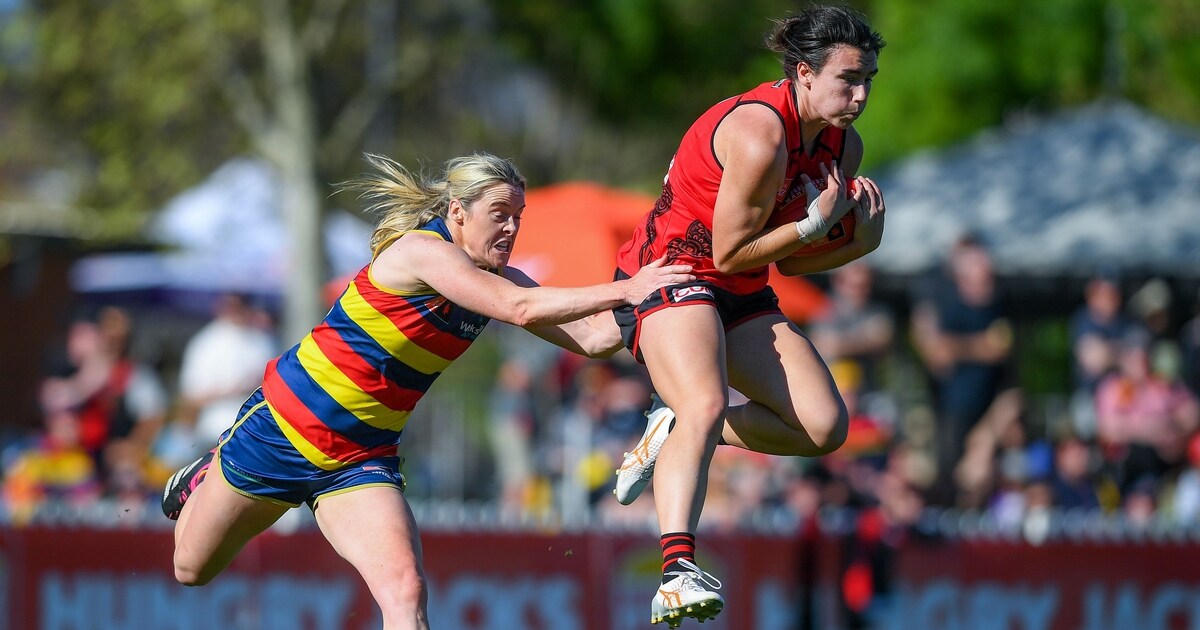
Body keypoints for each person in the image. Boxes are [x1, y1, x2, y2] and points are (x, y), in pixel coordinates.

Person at [159, 152, 694, 630]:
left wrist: (673, 295)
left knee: (407, 594)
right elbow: (519, 310)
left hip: (360, 457)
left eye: (518, 217)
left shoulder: (501, 277)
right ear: (457, 213)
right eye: (499, 215)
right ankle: (206, 472)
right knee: (191, 569)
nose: (511, 229)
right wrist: (628, 286)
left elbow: (597, 338)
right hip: (281, 429)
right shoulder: (421, 252)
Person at [609, 6, 886, 626]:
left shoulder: (846, 144)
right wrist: (816, 223)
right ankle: (676, 571)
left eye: (868, 79)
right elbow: (729, 249)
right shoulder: (759, 133)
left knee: (824, 428)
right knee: (705, 404)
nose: (861, 95)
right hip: (673, 273)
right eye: (848, 79)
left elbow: (794, 264)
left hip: (741, 287)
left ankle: (672, 424)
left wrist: (855, 245)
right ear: (802, 72)